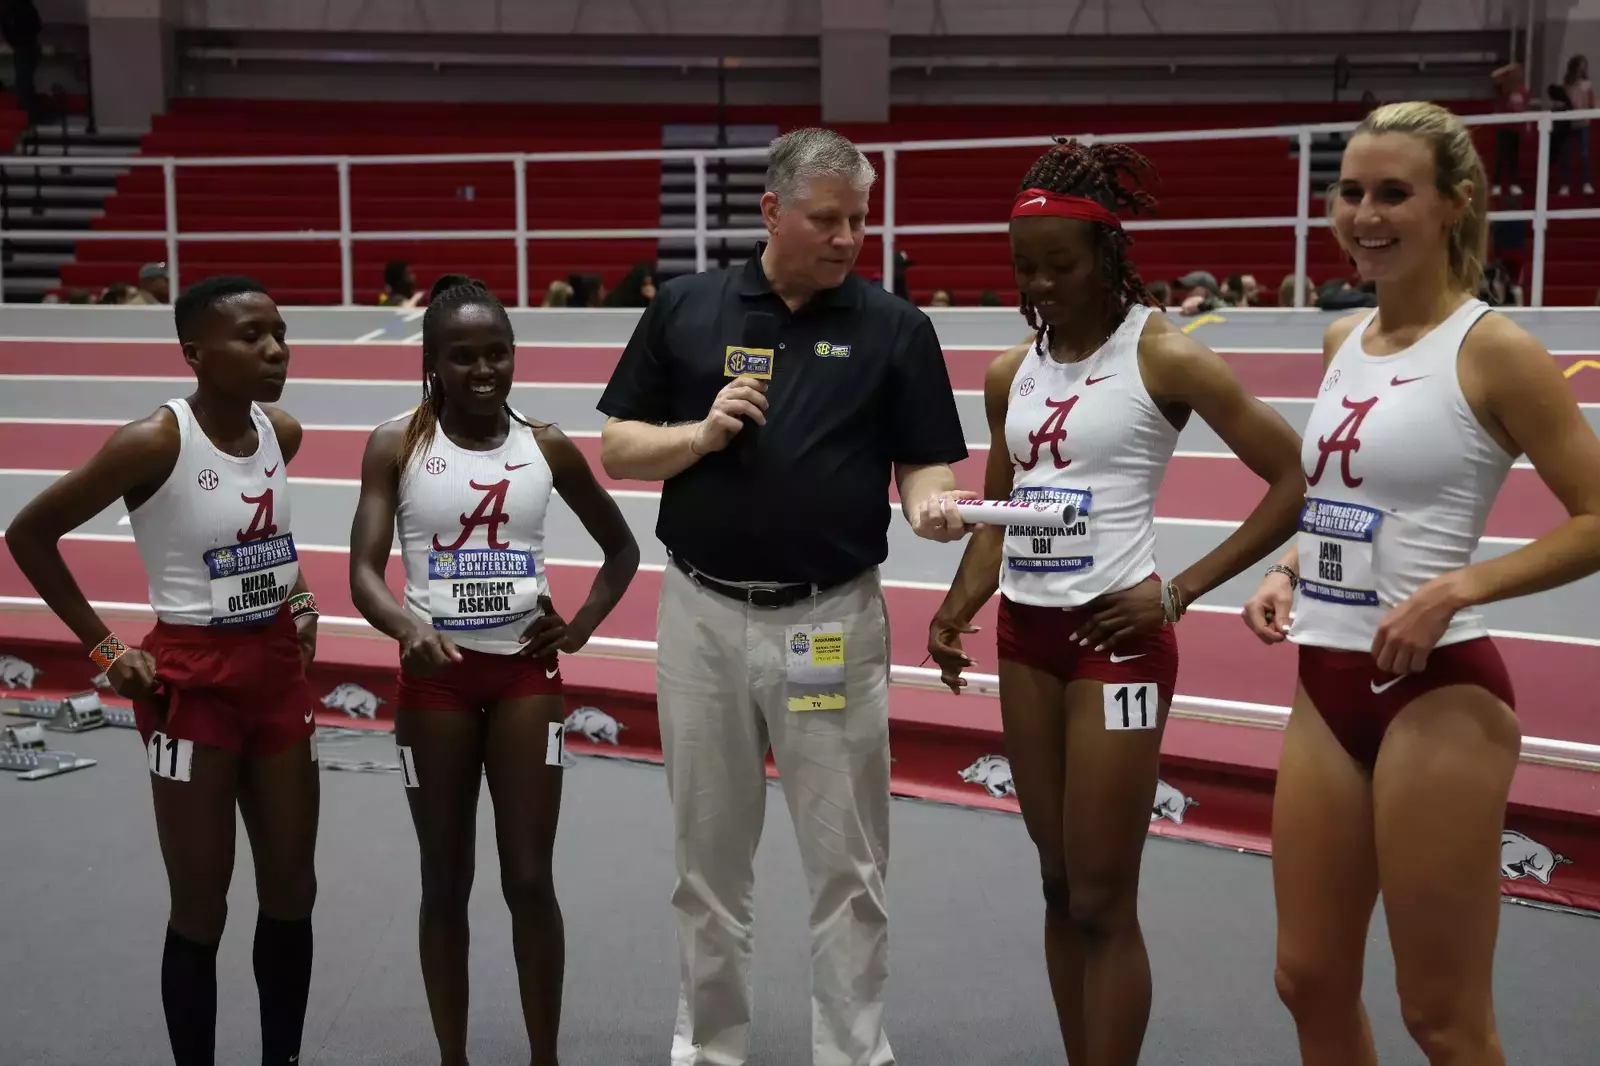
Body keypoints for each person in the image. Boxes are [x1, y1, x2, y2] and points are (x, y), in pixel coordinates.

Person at [926, 137, 1306, 1066]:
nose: (1043, 284)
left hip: (1118, 643)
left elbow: (1295, 477)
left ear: (1107, 255)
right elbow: (1005, 513)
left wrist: (1177, 594)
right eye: (1026, 269)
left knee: (1103, 896)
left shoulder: (1166, 357)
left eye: (1060, 266)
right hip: (1026, 637)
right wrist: (952, 609)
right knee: (1057, 887)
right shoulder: (1009, 374)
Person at [597, 126, 972, 1066]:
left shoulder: (896, 327)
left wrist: (933, 511)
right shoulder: (686, 307)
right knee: (708, 858)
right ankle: (709, 1043)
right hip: (703, 620)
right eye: (827, 218)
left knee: (847, 862)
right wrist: (701, 435)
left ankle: (852, 1049)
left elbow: (925, 468)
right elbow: (619, 447)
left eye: (859, 220)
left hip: (828, 625)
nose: (848, 237)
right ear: (771, 211)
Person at [1241, 101, 1600, 1066]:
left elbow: (1597, 518)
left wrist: (1456, 590)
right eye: (1351, 192)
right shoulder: (1338, 341)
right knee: (1307, 981)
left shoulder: (1497, 351)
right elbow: (1336, 490)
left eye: (1394, 193)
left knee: (1441, 1018)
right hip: (1325, 678)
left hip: (1437, 694)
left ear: (1456, 205)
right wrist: (1283, 568)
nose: (1365, 214)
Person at [5, 276, 321, 1066]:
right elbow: (30, 533)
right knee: (201, 906)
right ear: (194, 353)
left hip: (277, 667)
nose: (276, 349)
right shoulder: (153, 441)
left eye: (279, 332)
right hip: (193, 678)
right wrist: (107, 650)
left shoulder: (281, 430)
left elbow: (266, 534)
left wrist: (303, 596)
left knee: (292, 892)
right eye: (251, 336)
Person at [348, 274, 639, 1066]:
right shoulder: (397, 443)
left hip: (523, 681)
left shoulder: (544, 445)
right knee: (443, 880)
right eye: (464, 357)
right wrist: (406, 625)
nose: (484, 371)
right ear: (432, 364)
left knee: (528, 880)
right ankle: (454, 1059)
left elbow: (624, 548)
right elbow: (363, 574)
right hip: (435, 682)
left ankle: (544, 1057)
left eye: (498, 354)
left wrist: (576, 628)